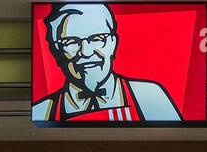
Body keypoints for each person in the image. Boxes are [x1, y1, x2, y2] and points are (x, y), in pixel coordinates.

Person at [31, 2, 182, 124]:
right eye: (71, 42)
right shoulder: (42, 111)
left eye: (97, 38)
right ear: (56, 51)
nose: (86, 51)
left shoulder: (149, 97)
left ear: (113, 43)